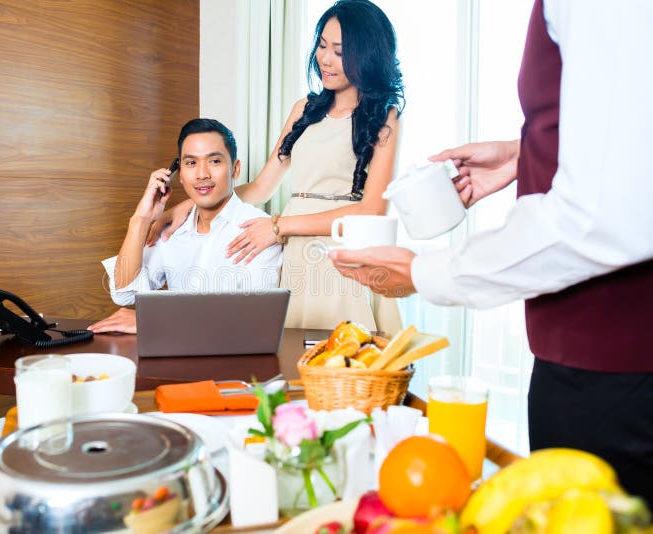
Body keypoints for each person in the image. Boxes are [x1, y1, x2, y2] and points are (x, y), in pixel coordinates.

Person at [330, 0, 653, 504]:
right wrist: (527, 154)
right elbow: (630, 138)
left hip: (617, 364)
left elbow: (597, 216)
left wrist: (426, 272)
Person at [149, 0, 405, 335]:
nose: (324, 59)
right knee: (293, 357)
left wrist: (279, 226)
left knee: (348, 361)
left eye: (340, 51)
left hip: (346, 251)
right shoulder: (305, 109)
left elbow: (372, 211)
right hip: (296, 250)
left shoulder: (385, 117)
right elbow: (260, 187)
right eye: (322, 45)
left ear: (367, 55)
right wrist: (188, 205)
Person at [88, 118, 283, 334]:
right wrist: (141, 220)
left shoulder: (259, 230)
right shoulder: (172, 229)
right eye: (191, 163)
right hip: (173, 355)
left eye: (215, 161)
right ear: (179, 173)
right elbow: (124, 293)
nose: (202, 174)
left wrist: (155, 320)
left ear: (235, 169)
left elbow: (254, 319)